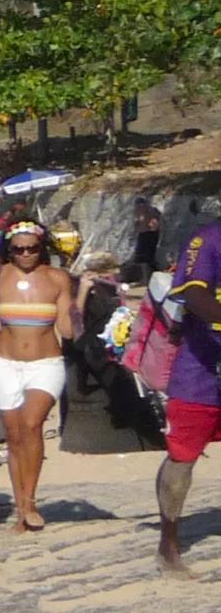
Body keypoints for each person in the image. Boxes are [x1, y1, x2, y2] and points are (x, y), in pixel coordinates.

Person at [0, 219, 76, 531]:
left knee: (32, 424)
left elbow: (68, 330)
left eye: (32, 248)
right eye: (19, 249)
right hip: (5, 362)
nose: (26, 255)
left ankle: (30, 502)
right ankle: (21, 510)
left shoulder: (57, 278)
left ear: (41, 247)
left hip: (46, 362)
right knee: (14, 437)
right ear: (10, 249)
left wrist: (81, 297)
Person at [156, 209, 221, 572]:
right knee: (183, 457)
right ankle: (169, 539)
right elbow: (195, 293)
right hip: (201, 369)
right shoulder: (208, 238)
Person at [132, 197, 164, 280]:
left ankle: (149, 276)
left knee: (145, 257)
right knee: (145, 256)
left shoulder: (145, 211)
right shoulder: (149, 210)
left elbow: (142, 222)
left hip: (148, 234)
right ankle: (148, 275)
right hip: (148, 234)